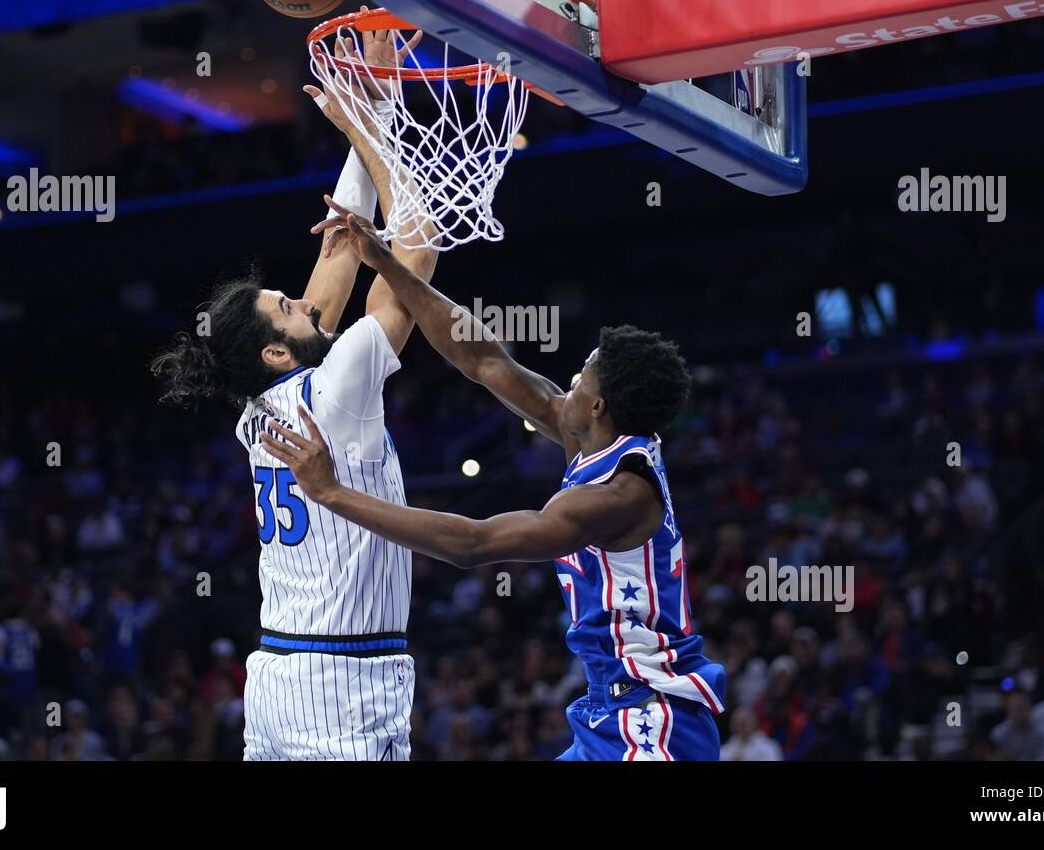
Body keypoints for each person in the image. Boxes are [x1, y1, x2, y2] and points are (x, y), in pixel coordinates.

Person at [259, 210, 726, 760]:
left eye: (581, 380)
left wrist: (332, 493)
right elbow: (480, 357)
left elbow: (473, 545)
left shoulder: (621, 496)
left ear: (598, 406)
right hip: (611, 711)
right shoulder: (587, 434)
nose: (568, 383)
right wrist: (386, 263)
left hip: (654, 722)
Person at [150, 18, 438, 760]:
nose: (308, 300)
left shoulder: (258, 406)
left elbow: (341, 249)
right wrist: (374, 126)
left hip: (281, 677)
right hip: (342, 687)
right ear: (279, 350)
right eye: (291, 306)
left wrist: (371, 108)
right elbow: (419, 252)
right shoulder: (335, 387)